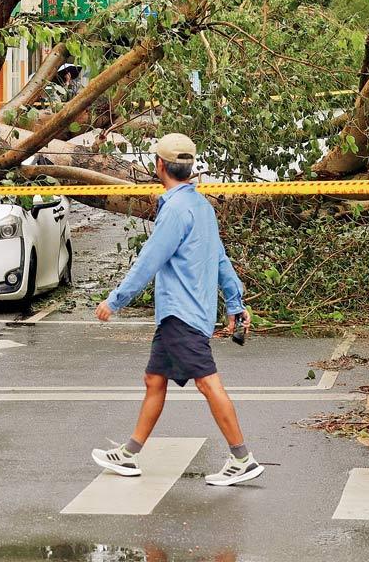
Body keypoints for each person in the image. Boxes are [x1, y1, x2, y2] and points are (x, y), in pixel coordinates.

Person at [91, 133, 263, 487]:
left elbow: (148, 261)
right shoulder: (201, 206)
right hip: (188, 313)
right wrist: (234, 302)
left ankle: (242, 457)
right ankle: (129, 454)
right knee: (154, 380)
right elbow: (220, 259)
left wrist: (115, 301)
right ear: (189, 167)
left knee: (207, 383)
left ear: (159, 166)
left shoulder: (175, 210)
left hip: (181, 315)